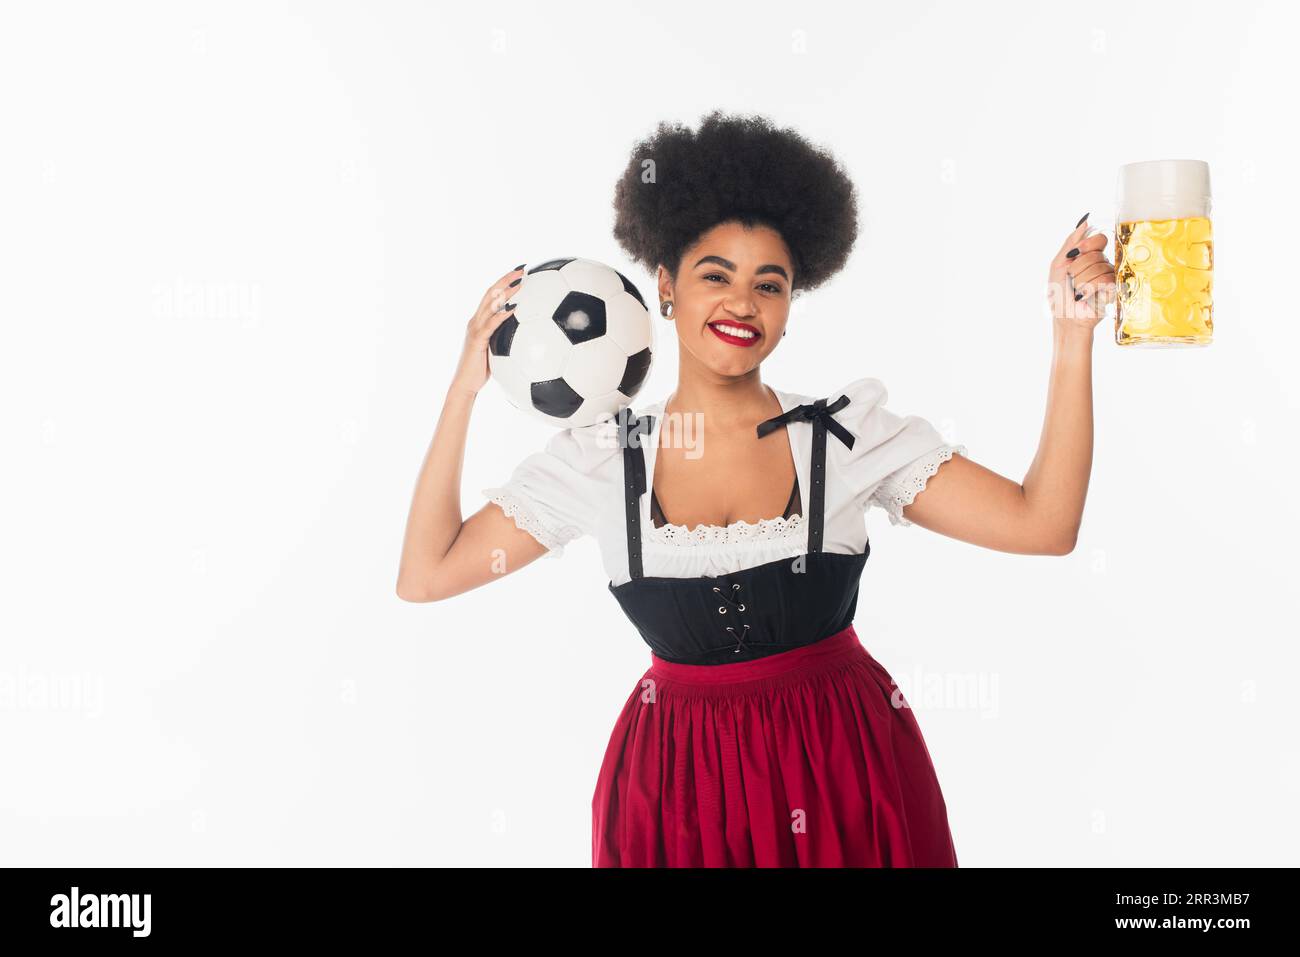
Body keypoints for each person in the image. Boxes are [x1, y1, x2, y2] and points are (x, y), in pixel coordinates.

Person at [396, 110, 1116, 867]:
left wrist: (1072, 336)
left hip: (847, 773)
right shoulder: (602, 458)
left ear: (788, 307)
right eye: (716, 276)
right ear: (667, 288)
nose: (742, 303)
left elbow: (1044, 525)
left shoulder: (845, 436)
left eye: (768, 285)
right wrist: (464, 388)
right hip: (676, 792)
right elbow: (426, 573)